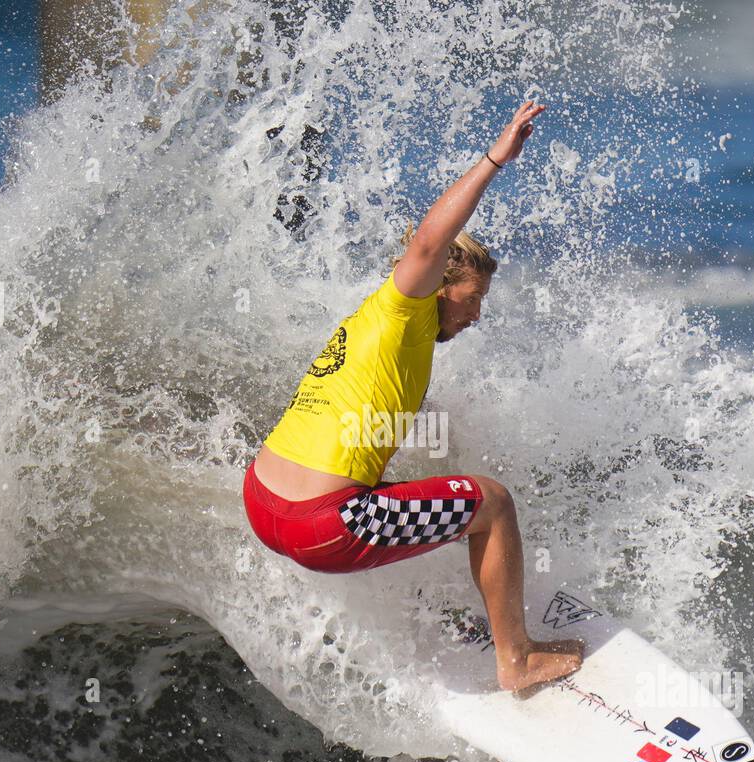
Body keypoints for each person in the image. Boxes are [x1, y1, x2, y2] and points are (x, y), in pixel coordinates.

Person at [243, 101, 584, 694]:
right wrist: (494, 160)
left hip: (264, 502)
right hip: (320, 525)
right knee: (492, 503)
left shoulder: (377, 320)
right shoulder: (407, 308)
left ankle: (462, 612)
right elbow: (430, 241)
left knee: (424, 499)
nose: (476, 315)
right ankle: (518, 662)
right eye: (472, 298)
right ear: (441, 287)